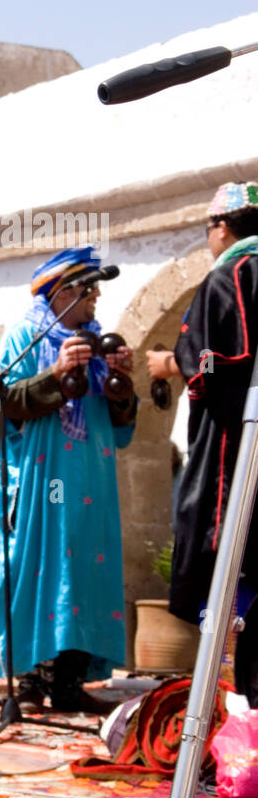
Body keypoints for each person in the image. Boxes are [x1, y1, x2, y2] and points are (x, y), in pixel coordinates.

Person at [0, 247, 137, 713]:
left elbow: (124, 423)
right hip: (39, 479)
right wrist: (55, 372)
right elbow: (2, 402)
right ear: (62, 293)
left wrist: (120, 382)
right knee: (37, 571)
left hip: (91, 481)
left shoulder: (99, 344)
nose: (95, 300)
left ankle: (68, 680)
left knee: (84, 575)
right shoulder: (23, 339)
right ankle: (29, 678)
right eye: (88, 291)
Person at [162, 182, 258, 707]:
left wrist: (172, 363)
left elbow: (211, 369)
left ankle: (232, 729)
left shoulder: (232, 275)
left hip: (240, 463)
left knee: (232, 578)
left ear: (221, 228)